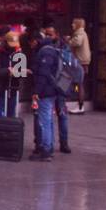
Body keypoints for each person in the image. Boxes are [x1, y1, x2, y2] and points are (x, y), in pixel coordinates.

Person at [29, 22, 71, 161]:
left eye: (31, 43)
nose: (30, 46)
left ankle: (46, 150)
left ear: (35, 41)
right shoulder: (53, 49)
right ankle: (50, 147)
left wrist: (36, 91)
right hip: (53, 90)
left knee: (45, 121)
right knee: (49, 120)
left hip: (46, 91)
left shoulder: (45, 52)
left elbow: (43, 73)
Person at [68, 18, 91, 114]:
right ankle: (79, 104)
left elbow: (77, 42)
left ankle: (80, 106)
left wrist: (69, 41)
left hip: (80, 62)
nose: (72, 25)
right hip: (83, 62)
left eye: (73, 23)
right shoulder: (81, 33)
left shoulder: (80, 33)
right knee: (78, 84)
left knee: (79, 84)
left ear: (77, 24)